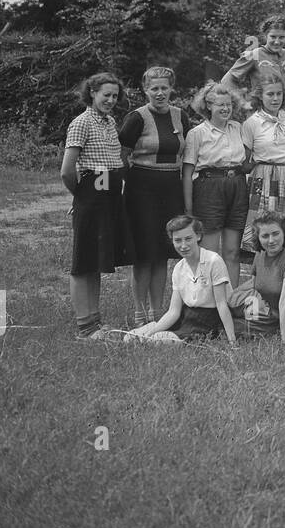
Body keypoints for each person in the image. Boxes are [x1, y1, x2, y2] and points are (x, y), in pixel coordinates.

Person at [61, 72, 132, 339]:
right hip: (92, 190)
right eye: (106, 95)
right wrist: (81, 197)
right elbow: (67, 171)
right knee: (83, 260)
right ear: (92, 93)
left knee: (97, 258)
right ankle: (84, 326)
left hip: (109, 192)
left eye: (115, 96)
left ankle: (95, 322)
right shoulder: (81, 123)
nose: (111, 100)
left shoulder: (110, 121)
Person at [118, 65, 186, 327]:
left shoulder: (181, 116)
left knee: (162, 252)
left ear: (171, 89)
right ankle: (139, 312)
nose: (159, 93)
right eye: (154, 88)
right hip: (142, 189)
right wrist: (132, 183)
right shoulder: (136, 117)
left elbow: (185, 151)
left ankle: (157, 312)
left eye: (164, 88)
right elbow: (122, 156)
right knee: (144, 252)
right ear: (145, 90)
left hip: (171, 188)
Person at [126, 216, 237, 345]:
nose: (183, 245)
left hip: (208, 320)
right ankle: (153, 331)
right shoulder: (179, 268)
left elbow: (222, 304)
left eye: (188, 239)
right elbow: (174, 311)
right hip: (185, 317)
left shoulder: (213, 261)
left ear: (198, 236)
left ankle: (161, 336)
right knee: (129, 338)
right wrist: (151, 332)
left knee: (157, 341)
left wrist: (232, 340)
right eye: (178, 240)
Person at [182, 82, 249, 288]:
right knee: (209, 252)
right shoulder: (197, 133)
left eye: (228, 104)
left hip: (237, 187)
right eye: (220, 105)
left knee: (232, 251)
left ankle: (232, 299)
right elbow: (187, 173)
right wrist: (189, 207)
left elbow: (247, 163)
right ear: (208, 106)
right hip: (209, 187)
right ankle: (207, 301)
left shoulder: (238, 128)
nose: (225, 109)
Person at [240, 71, 285, 254]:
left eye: (279, 94)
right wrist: (258, 169)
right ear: (260, 96)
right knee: (267, 231)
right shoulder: (252, 123)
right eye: (270, 94)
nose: (275, 98)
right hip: (265, 179)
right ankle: (265, 277)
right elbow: (243, 160)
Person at [240, 211, 285, 343]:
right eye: (265, 236)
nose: (271, 240)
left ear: (284, 233)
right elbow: (253, 289)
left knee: (230, 325)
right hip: (258, 308)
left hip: (278, 318)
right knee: (222, 314)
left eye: (275, 234)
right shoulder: (260, 254)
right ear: (258, 238)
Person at [222, 15, 285, 111]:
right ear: (266, 35)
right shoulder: (254, 55)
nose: (277, 42)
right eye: (273, 37)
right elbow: (227, 81)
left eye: (281, 37)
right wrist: (242, 102)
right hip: (259, 112)